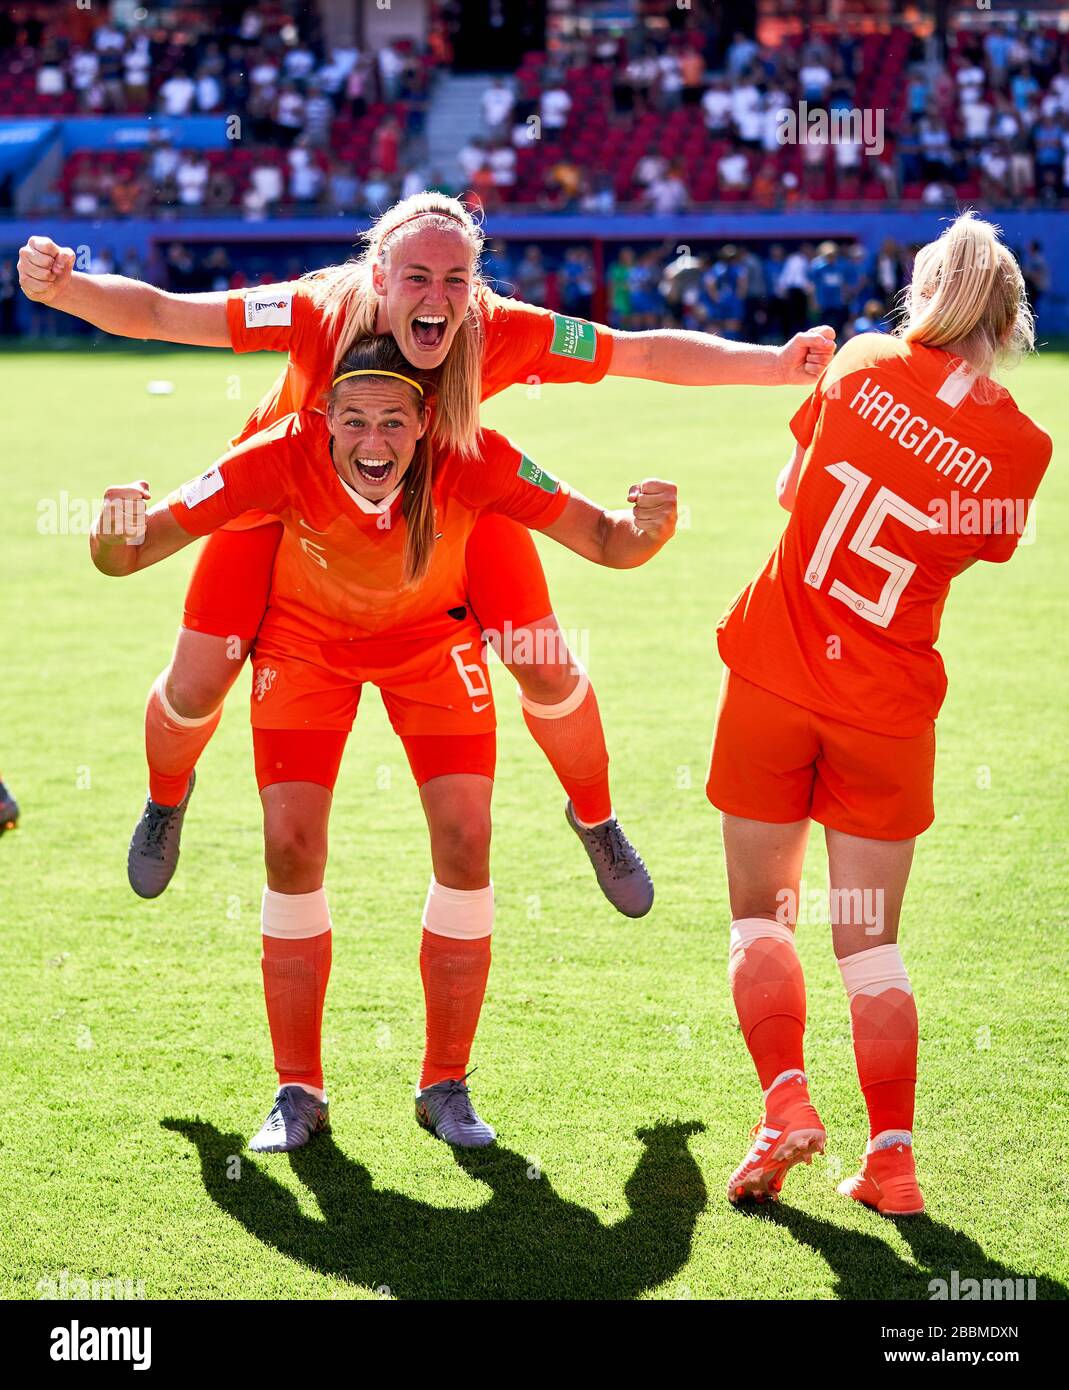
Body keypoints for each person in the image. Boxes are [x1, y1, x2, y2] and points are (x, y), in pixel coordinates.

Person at [18, 193, 834, 918]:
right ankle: (167, 799)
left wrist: (774, 366)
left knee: (544, 663)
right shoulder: (314, 310)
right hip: (285, 498)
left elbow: (640, 353)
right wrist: (68, 288)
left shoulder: (503, 330)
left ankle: (595, 817)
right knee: (197, 682)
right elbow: (166, 313)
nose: (437, 297)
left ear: (475, 286)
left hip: (450, 498)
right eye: (416, 278)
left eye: (455, 281)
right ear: (378, 275)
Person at [89, 337, 679, 1153]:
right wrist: (111, 527)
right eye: (355, 419)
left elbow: (611, 543)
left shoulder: (475, 457)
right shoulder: (274, 456)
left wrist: (650, 527)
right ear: (323, 415)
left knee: (468, 839)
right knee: (290, 848)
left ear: (426, 420)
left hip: (430, 645)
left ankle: (446, 1085)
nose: (375, 442)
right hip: (304, 645)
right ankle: (298, 1089)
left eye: (394, 422)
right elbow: (127, 555)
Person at [706, 213, 1050, 1215]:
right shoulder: (1021, 446)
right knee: (870, 944)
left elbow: (790, 488)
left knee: (759, 915)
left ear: (922, 291)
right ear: (1010, 318)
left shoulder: (858, 360)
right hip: (885, 707)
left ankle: (783, 1104)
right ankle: (890, 1162)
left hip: (771, 673)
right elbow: (983, 549)